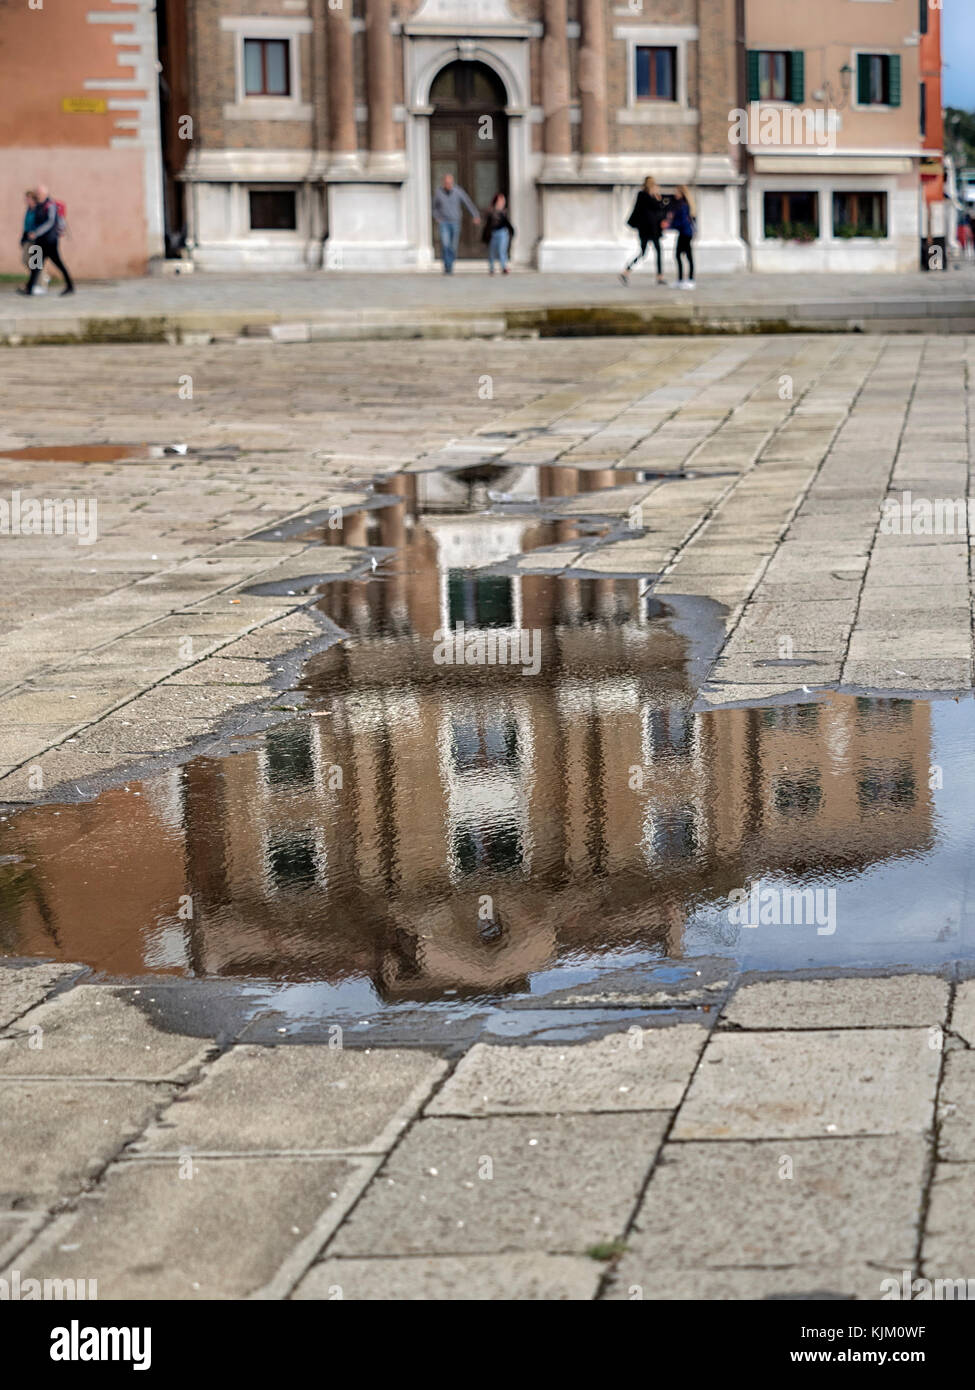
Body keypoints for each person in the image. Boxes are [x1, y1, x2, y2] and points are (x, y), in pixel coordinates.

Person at [19, 184, 74, 297]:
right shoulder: (38, 206)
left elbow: (50, 222)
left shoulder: (50, 206)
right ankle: (29, 289)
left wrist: (36, 232)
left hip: (50, 241)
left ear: (44, 194)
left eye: (39, 193)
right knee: (36, 265)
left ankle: (70, 286)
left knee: (59, 264)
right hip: (40, 241)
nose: (37, 195)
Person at [620, 176, 666, 286]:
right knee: (644, 252)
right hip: (646, 229)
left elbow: (659, 209)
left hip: (652, 229)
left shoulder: (652, 196)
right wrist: (656, 197)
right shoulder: (642, 195)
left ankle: (659, 276)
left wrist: (657, 197)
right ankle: (626, 271)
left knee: (655, 251)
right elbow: (648, 209)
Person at [432, 172, 480, 274]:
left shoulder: (458, 191)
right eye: (446, 182)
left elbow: (467, 202)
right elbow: (434, 207)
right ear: (443, 183)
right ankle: (447, 267)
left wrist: (475, 215)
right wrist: (437, 217)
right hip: (444, 222)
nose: (448, 184)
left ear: (453, 182)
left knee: (453, 246)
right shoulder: (438, 193)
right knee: (445, 245)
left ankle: (450, 264)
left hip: (455, 222)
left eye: (450, 182)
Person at [669, 186, 696, 289]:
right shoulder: (681, 205)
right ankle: (683, 279)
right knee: (683, 256)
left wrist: (671, 224)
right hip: (685, 233)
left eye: (677, 192)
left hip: (685, 233)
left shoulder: (683, 205)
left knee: (684, 256)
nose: (675, 194)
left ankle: (688, 279)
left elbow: (682, 221)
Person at [482, 192, 514, 275]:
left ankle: (504, 267)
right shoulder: (490, 211)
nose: (502, 202)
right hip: (493, 233)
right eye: (500, 200)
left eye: (503, 201)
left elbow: (507, 223)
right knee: (492, 251)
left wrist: (512, 231)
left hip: (503, 232)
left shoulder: (504, 211)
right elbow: (487, 223)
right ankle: (491, 268)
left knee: (502, 250)